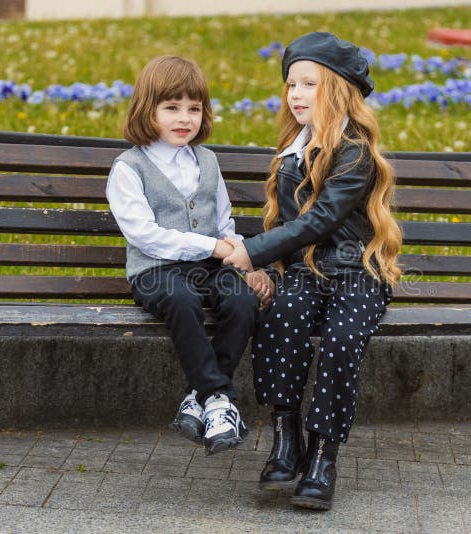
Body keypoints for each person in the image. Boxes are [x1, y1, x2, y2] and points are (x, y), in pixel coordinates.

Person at [223, 32, 402, 509]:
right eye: (290, 85)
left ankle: (323, 455)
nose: (295, 94)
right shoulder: (292, 152)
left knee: (343, 338)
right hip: (306, 271)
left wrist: (251, 251)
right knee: (280, 314)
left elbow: (320, 219)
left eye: (308, 84)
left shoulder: (354, 151)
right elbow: (288, 224)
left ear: (339, 91)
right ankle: (287, 438)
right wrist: (268, 269)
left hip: (356, 272)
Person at [106, 55, 273, 456]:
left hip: (210, 268)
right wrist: (211, 246)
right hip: (155, 270)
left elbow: (224, 223)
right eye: (172, 107)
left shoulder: (208, 161)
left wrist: (243, 261)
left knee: (241, 300)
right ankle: (219, 398)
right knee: (181, 300)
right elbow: (144, 235)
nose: (185, 118)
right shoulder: (129, 168)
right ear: (148, 110)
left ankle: (198, 399)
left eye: (194, 109)